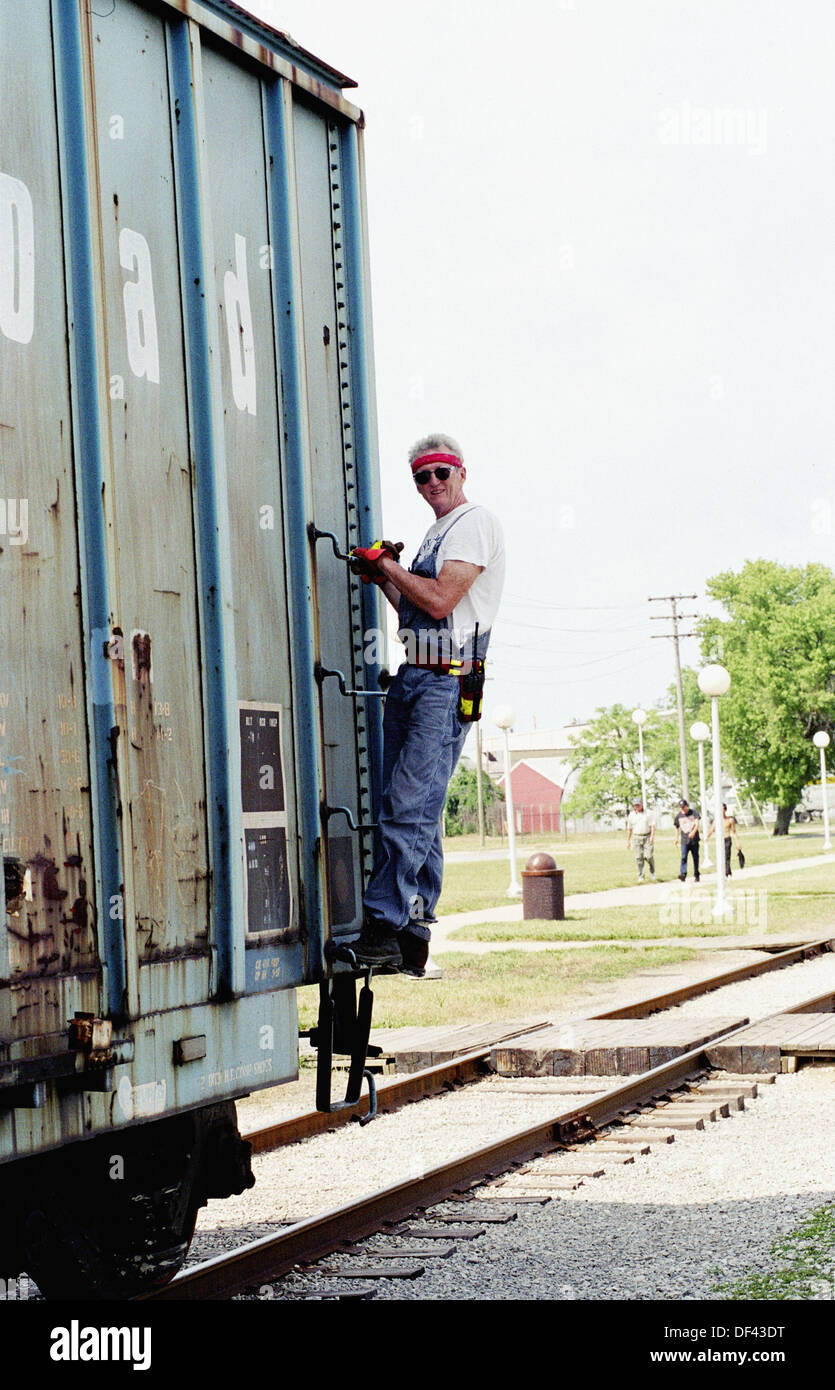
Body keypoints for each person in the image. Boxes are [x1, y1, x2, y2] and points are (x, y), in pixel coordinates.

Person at [350, 433, 505, 977]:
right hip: (418, 671)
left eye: (441, 472)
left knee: (409, 805)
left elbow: (441, 599)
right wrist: (383, 577)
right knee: (416, 805)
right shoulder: (436, 532)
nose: (433, 483)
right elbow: (413, 614)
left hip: (445, 681)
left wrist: (388, 567)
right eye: (422, 476)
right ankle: (414, 931)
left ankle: (383, 926)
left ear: (462, 472)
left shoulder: (475, 522)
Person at [706, 802, 743, 877]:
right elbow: (711, 830)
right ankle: (727, 872)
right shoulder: (716, 821)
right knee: (720, 857)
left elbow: (734, 832)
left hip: (727, 839)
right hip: (719, 841)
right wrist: (707, 838)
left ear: (725, 810)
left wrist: (737, 843)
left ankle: (726, 873)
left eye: (722, 809)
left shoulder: (730, 820)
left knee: (727, 856)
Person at [626, 800, 656, 882]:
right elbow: (629, 829)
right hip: (636, 837)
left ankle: (652, 872)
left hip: (647, 836)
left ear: (642, 805)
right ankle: (641, 875)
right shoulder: (631, 815)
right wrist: (628, 840)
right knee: (639, 857)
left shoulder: (648, 813)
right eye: (635, 805)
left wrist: (652, 837)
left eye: (638, 805)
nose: (637, 807)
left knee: (648, 856)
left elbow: (652, 826)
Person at [673, 798, 700, 882]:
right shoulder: (678, 816)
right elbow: (677, 828)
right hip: (684, 840)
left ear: (687, 806)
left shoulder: (694, 813)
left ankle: (696, 874)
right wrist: (676, 838)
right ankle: (683, 874)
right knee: (684, 857)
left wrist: (693, 832)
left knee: (695, 857)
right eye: (681, 807)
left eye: (684, 807)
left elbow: (697, 824)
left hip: (694, 840)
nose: (683, 809)